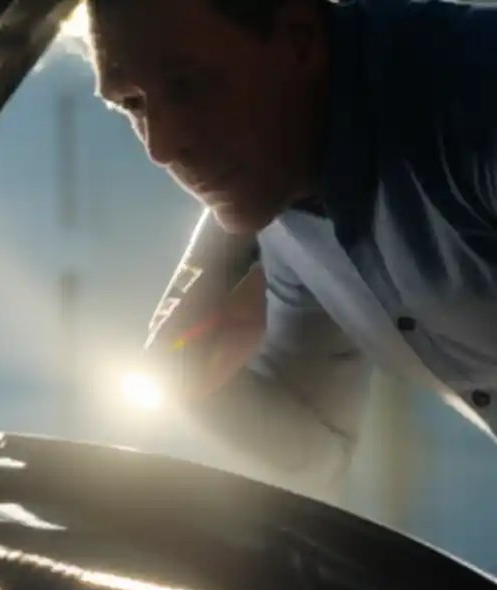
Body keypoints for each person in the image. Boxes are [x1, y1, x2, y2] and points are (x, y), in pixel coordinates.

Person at [78, 0, 497, 500]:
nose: (161, 147)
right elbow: (316, 448)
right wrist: (194, 384)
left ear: (300, 39)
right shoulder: (282, 194)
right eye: (132, 104)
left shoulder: (476, 96)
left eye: (186, 86)